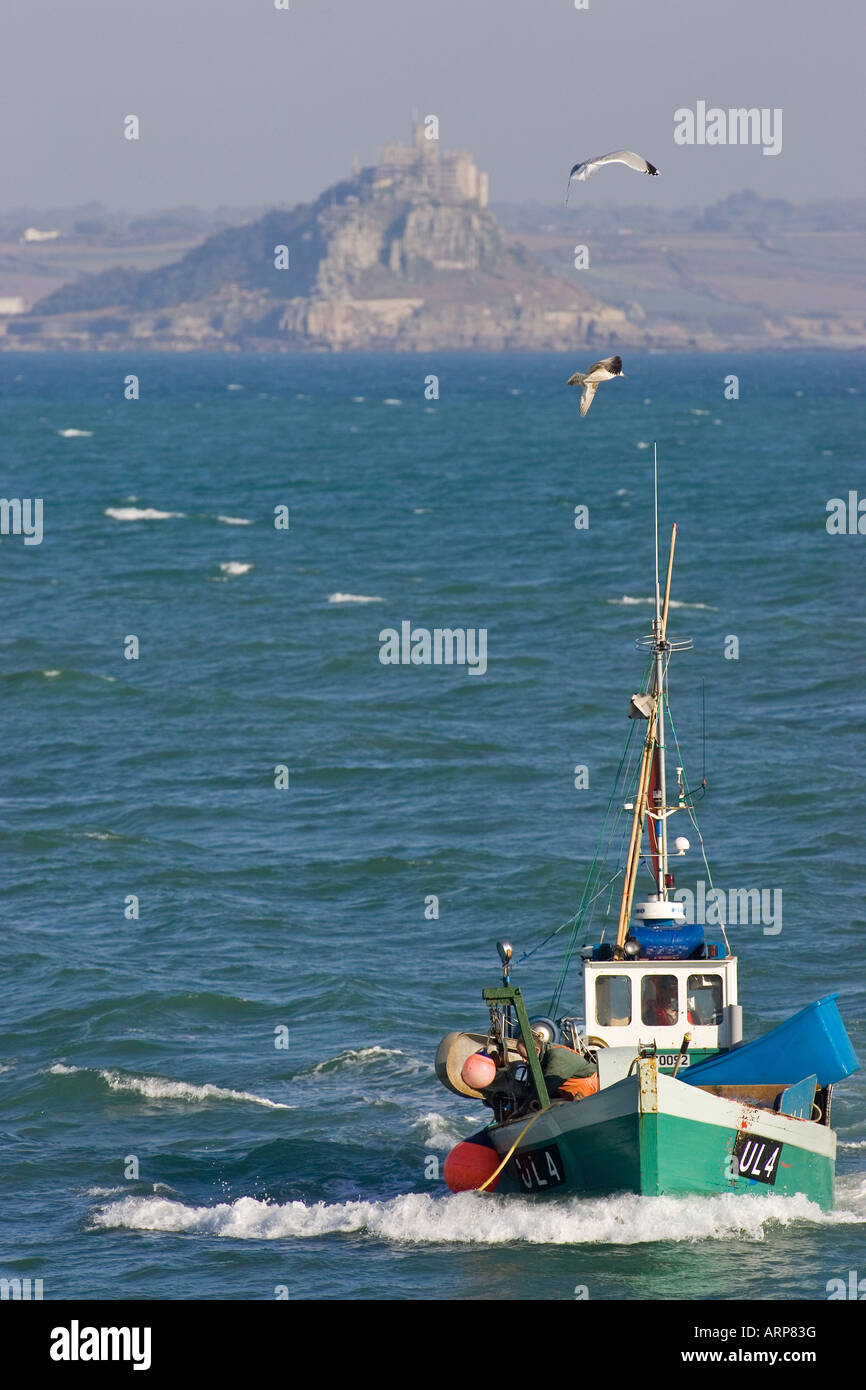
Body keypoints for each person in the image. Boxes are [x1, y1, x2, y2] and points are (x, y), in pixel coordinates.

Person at [518, 1028, 599, 1102]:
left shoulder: (557, 1056)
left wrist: (522, 1110)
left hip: (591, 1089)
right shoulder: (538, 1058)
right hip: (569, 1093)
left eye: (525, 1056)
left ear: (537, 1050)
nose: (523, 1060)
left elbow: (545, 1090)